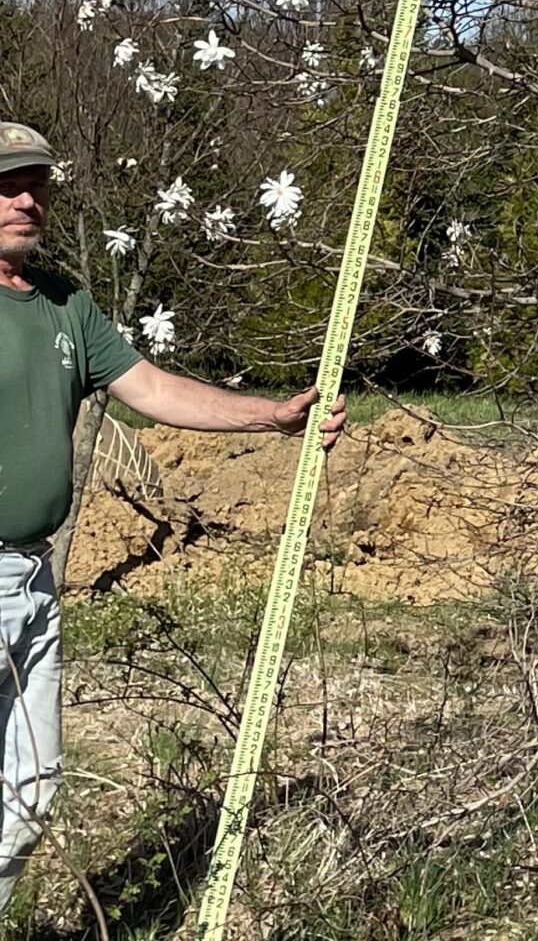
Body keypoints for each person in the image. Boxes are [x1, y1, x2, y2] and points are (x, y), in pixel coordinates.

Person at [0, 120, 346, 912]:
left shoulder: (65, 305)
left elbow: (152, 390)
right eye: (6, 187)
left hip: (32, 578)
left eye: (36, 185)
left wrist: (271, 417)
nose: (25, 201)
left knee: (30, 792)